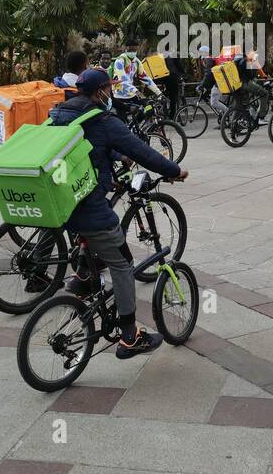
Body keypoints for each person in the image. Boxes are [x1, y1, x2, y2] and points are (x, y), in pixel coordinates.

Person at [47, 68, 186, 358]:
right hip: (89, 205)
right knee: (123, 262)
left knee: (90, 240)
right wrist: (174, 171)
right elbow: (141, 151)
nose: (110, 93)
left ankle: (84, 278)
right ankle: (129, 335)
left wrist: (110, 157)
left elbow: (82, 148)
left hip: (62, 202)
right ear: (99, 92)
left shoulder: (59, 114)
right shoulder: (103, 120)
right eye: (108, 89)